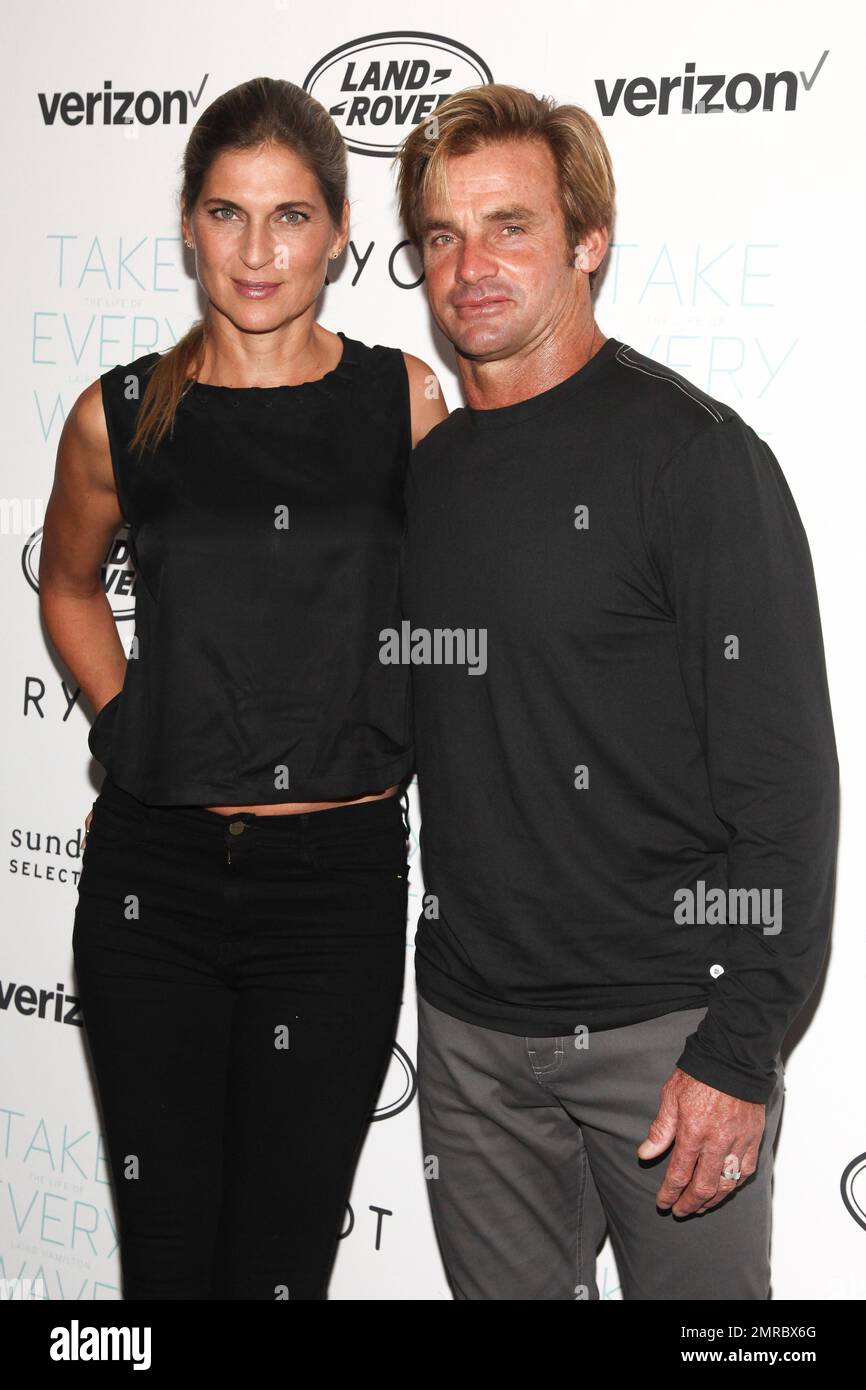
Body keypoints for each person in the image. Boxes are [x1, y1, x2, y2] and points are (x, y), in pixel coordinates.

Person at [395, 83, 840, 1299]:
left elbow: (785, 789)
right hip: (471, 1038)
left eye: (509, 226)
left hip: (667, 1037)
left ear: (586, 243)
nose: (470, 265)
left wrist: (738, 1052)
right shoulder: (419, 482)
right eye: (440, 234)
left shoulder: (692, 459)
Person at [39, 76, 447, 1300]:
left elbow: (461, 616)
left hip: (332, 900)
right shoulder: (117, 416)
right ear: (186, 226)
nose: (257, 251)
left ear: (336, 232)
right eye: (227, 214)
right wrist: (131, 718)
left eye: (288, 216)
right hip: (148, 893)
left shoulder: (402, 403)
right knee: (165, 1270)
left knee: (278, 1273)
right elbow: (65, 588)